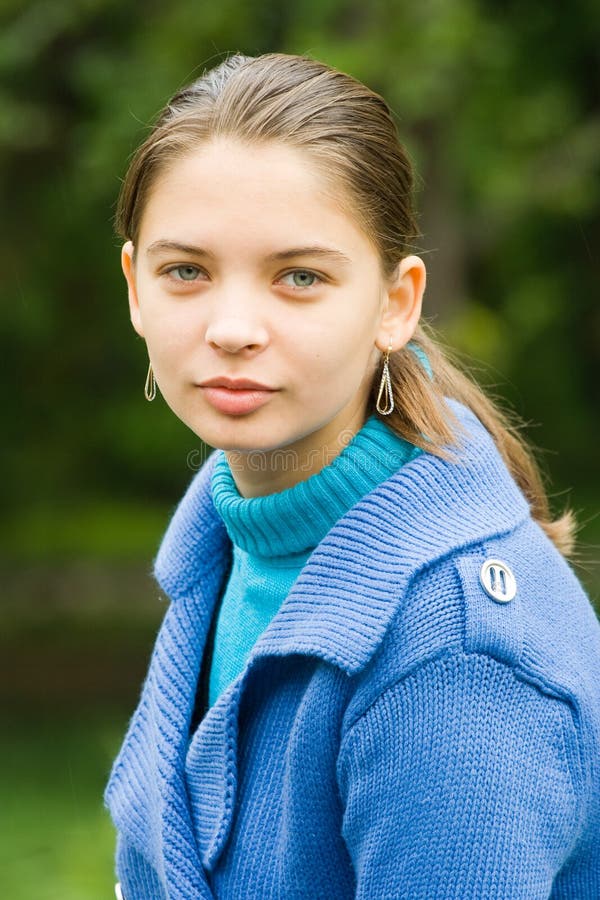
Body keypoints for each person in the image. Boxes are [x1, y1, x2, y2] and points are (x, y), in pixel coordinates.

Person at [103, 52, 600, 900]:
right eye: (186, 270)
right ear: (136, 287)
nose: (231, 327)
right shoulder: (224, 543)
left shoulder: (457, 656)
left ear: (395, 302)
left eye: (300, 277)